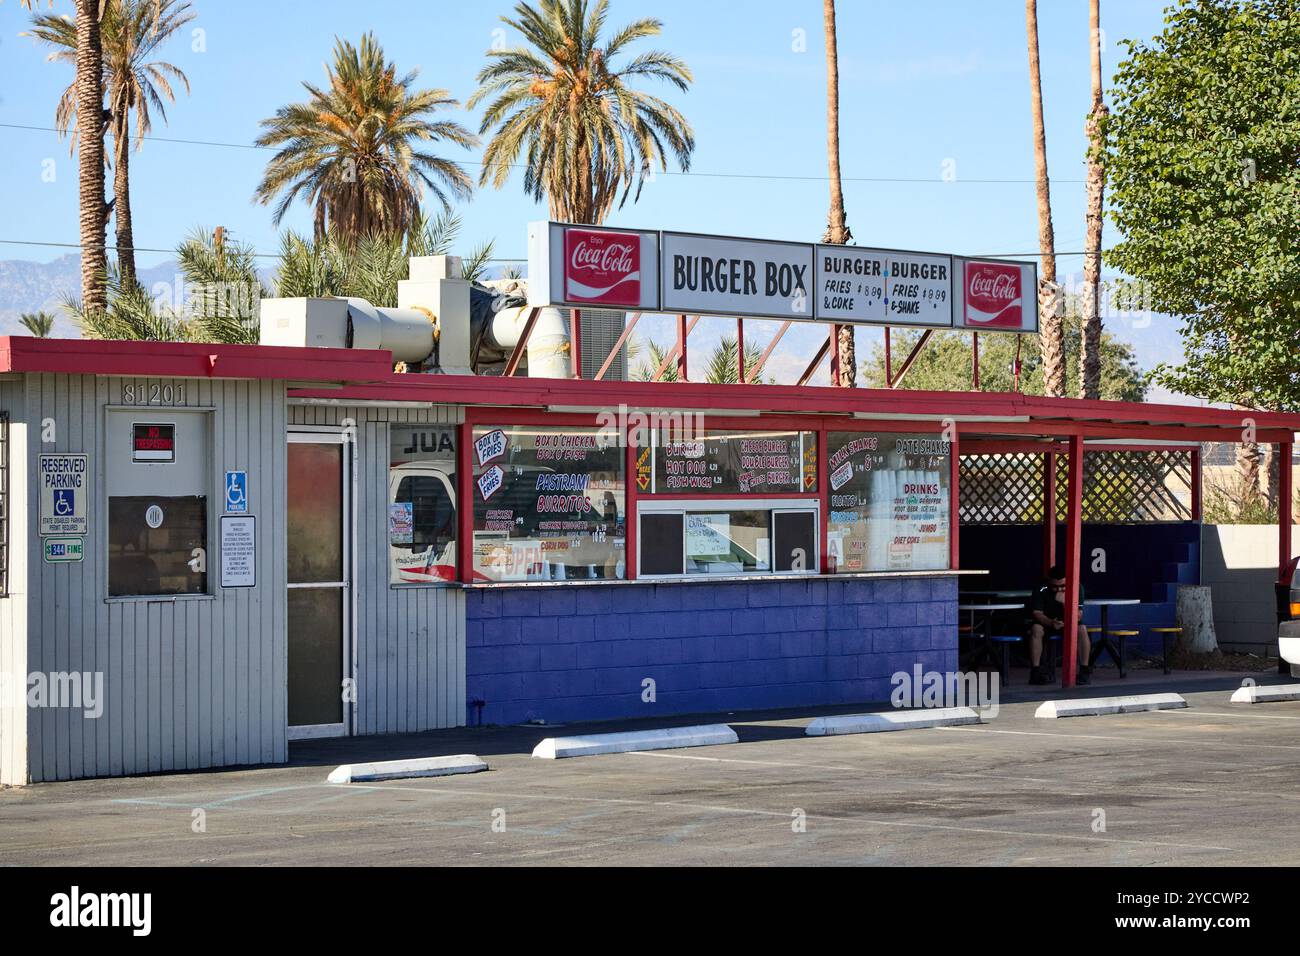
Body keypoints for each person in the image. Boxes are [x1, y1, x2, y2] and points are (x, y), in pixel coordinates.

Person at [1027, 564, 1091, 686]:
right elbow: (1037, 613)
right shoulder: (1041, 588)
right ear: (1049, 582)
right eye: (1054, 587)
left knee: (1082, 629)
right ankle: (1035, 672)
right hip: (1047, 622)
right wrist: (1051, 623)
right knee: (1036, 629)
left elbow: (1078, 616)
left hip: (1068, 622)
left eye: (1063, 586)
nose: (1059, 589)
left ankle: (1084, 671)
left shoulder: (1077, 587)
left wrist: (1064, 602)